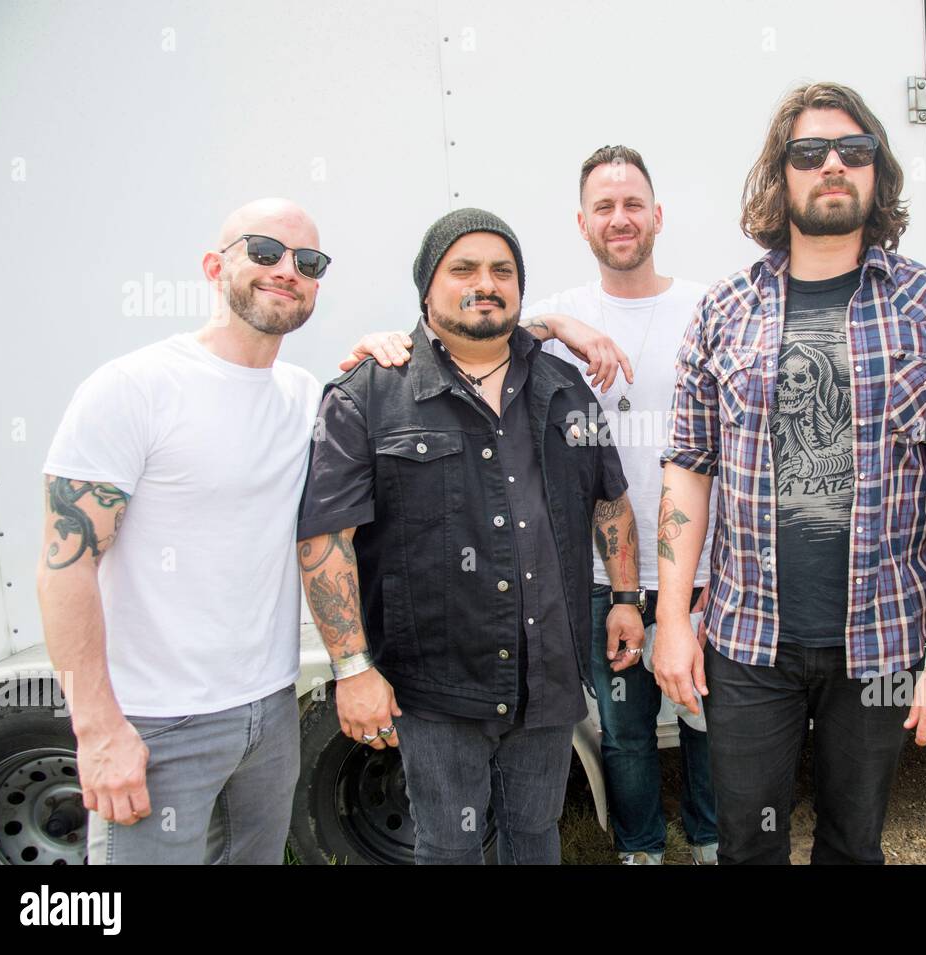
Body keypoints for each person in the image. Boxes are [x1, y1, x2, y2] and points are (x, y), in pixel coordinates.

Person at [654, 82, 926, 864]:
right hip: (747, 643)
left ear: (878, 173)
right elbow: (686, 469)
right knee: (748, 843)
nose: (833, 165)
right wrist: (674, 619)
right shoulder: (725, 310)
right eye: (809, 153)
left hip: (882, 643)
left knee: (854, 843)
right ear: (781, 176)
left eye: (855, 150)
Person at [295, 208, 645, 864]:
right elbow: (324, 539)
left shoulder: (565, 386)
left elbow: (610, 501)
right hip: (434, 689)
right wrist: (352, 669)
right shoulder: (368, 394)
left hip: (547, 676)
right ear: (427, 288)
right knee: (450, 847)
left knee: (535, 836)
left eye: (502, 270)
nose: (485, 283)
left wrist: (626, 596)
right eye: (464, 268)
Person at [39, 198, 332, 864]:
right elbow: (64, 563)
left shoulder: (304, 395)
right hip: (157, 722)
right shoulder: (133, 388)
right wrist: (98, 727)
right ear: (212, 265)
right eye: (263, 251)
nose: (286, 269)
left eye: (307, 261)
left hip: (272, 709)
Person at [520, 145, 718, 866]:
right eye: (604, 206)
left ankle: (708, 839)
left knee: (706, 717)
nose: (620, 217)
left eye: (633, 203)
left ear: (657, 215)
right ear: (582, 223)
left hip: (703, 561)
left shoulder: (705, 304)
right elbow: (472, 341)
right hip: (608, 574)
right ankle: (639, 849)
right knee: (625, 727)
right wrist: (557, 327)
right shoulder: (560, 316)